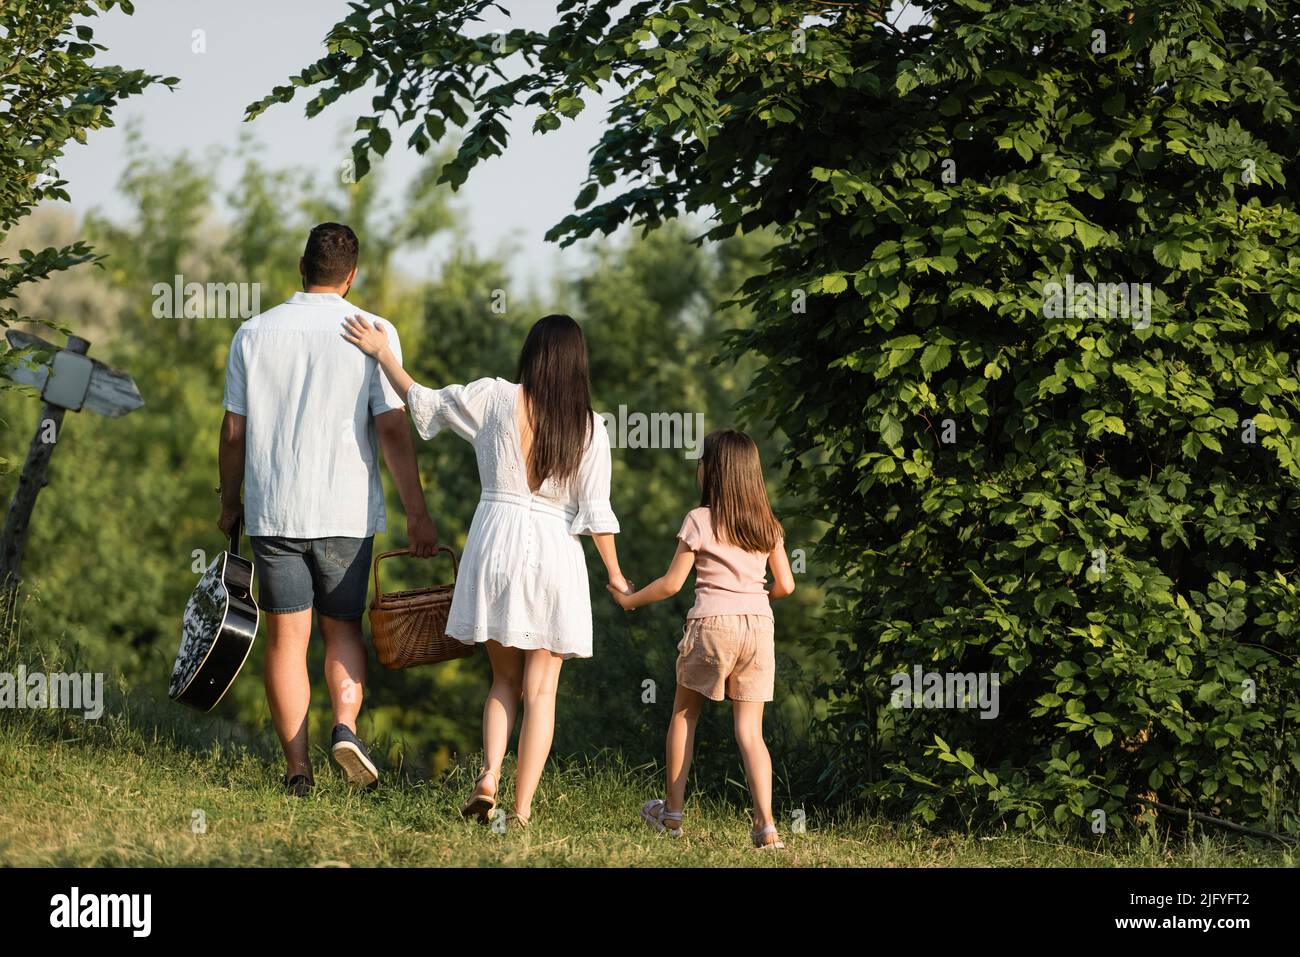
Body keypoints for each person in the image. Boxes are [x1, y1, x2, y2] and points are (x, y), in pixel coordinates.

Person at [341, 312, 629, 827]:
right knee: (541, 691)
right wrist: (615, 574)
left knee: (502, 681)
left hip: (495, 538)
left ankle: (489, 776)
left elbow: (424, 403)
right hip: (554, 553)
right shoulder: (590, 427)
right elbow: (597, 513)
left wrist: (384, 352)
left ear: (532, 355)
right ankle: (519, 812)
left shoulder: (495, 396)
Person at [218, 223, 437, 797]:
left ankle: (297, 770)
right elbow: (392, 429)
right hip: (345, 512)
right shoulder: (373, 332)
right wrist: (417, 513)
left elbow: (234, 432)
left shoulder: (254, 333)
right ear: (352, 275)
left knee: (287, 639)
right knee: (342, 630)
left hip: (275, 511)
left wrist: (229, 502)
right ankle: (345, 726)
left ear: (301, 266)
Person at [608, 429, 794, 848]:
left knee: (684, 715)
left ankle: (671, 815)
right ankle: (766, 827)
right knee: (750, 732)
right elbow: (786, 585)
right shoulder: (768, 524)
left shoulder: (700, 519)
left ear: (713, 471)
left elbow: (673, 585)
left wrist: (629, 600)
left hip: (712, 627)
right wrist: (753, 598)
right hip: (758, 628)